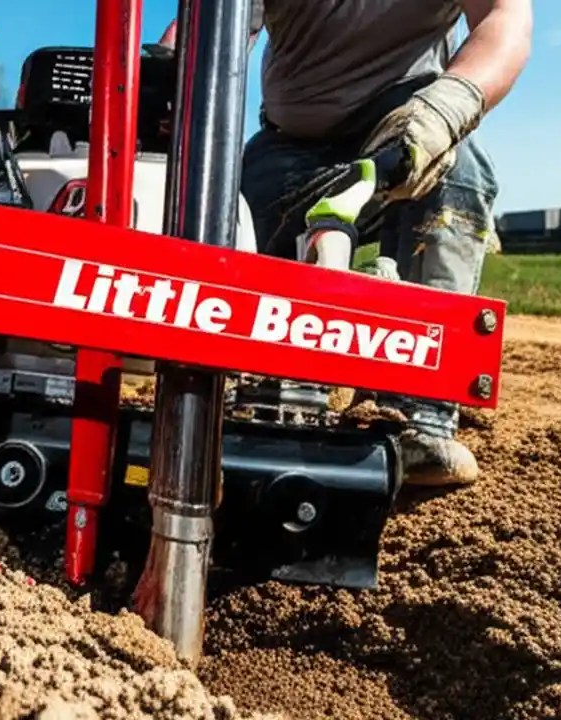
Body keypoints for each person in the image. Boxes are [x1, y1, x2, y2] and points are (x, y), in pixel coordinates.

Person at [157, 0, 533, 487]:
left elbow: (505, 20)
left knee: (459, 173)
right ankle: (257, 392)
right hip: (290, 145)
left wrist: (446, 110)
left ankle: (413, 412)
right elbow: (207, 30)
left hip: (408, 129)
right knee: (227, 230)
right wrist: (160, 86)